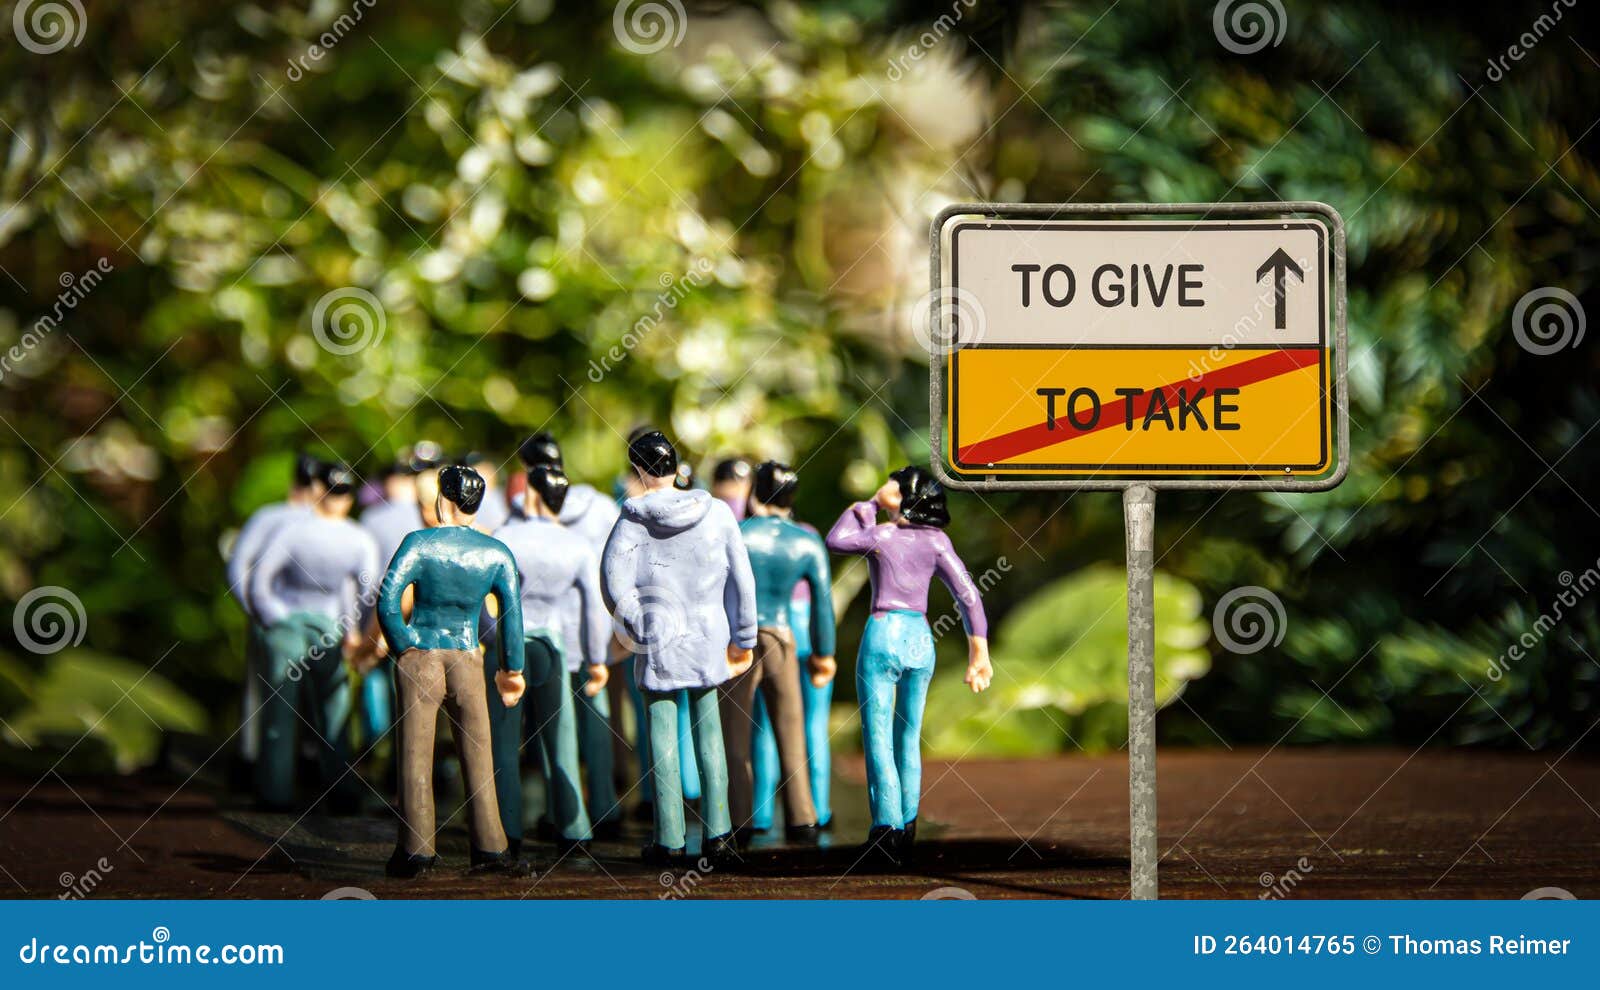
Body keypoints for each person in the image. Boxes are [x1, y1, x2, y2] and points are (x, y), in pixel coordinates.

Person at [601, 431, 756, 865]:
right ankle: (719, 833)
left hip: (661, 637)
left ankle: (669, 838)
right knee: (712, 736)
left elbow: (614, 583)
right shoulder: (720, 514)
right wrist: (744, 637)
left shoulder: (631, 520)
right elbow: (742, 582)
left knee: (662, 738)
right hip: (709, 636)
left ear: (638, 470)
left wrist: (641, 621)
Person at [825, 465, 993, 866]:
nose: (884, 488)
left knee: (878, 736)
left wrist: (865, 506)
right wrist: (979, 650)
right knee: (909, 735)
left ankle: (886, 828)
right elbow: (967, 594)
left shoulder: (882, 535)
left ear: (902, 498)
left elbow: (837, 540)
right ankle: (909, 821)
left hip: (883, 631)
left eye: (891, 485)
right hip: (919, 636)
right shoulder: (937, 542)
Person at [377, 465, 528, 879]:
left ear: (443, 501)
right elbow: (512, 619)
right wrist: (511, 668)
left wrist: (403, 643)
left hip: (422, 651)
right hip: (467, 654)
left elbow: (388, 598)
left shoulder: (419, 543)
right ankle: (491, 845)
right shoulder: (496, 553)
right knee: (479, 754)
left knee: (415, 755)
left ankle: (416, 849)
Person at [483, 463, 612, 854]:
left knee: (504, 744)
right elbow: (594, 608)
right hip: (555, 646)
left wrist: (494, 637)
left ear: (534, 495)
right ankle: (574, 827)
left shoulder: (504, 538)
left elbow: (482, 604)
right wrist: (595, 658)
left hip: (511, 646)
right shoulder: (576, 546)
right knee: (562, 741)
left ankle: (507, 828)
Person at [247, 461, 378, 810]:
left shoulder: (296, 531)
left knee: (293, 709)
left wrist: (275, 616)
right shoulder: (354, 537)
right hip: (316, 624)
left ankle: (299, 790)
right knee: (316, 709)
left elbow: (260, 581)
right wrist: (355, 629)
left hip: (309, 624)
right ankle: (316, 790)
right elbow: (367, 593)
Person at [722, 461, 835, 845]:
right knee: (791, 731)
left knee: (735, 738)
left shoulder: (737, 534)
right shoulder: (804, 541)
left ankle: (737, 820)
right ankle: (802, 817)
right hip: (784, 638)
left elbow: (715, 590)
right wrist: (824, 653)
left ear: (754, 493)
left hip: (740, 640)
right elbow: (822, 602)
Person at [518, 433, 625, 836]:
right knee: (597, 717)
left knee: (552, 724)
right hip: (593, 624)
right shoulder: (600, 505)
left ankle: (559, 809)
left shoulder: (520, 514)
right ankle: (604, 803)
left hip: (547, 632)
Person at [225, 452, 323, 773]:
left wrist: (255, 608)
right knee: (268, 690)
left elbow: (238, 567)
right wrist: (257, 609)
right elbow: (239, 567)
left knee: (279, 691)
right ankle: (258, 757)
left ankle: (275, 759)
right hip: (284, 615)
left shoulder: (274, 517)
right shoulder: (272, 517)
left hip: (290, 615)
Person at [354, 442, 442, 746]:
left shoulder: (374, 518)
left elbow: (368, 578)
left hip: (383, 610)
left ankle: (377, 744)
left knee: (378, 678)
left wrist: (367, 627)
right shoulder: (453, 516)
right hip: (429, 618)